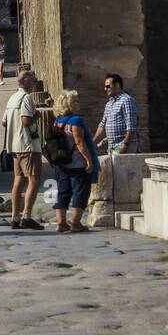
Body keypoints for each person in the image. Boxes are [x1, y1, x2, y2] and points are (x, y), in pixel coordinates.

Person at [52, 90, 99, 233]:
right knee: (80, 191)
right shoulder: (76, 121)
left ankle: (61, 223)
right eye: (76, 101)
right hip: (77, 163)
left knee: (63, 192)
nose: (78, 103)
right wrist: (89, 160)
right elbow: (79, 142)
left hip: (62, 162)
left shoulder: (58, 121)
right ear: (70, 104)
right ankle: (76, 223)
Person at [2, 69, 44, 230]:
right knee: (34, 179)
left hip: (14, 145)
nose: (35, 83)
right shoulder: (26, 98)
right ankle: (26, 216)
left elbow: (4, 122)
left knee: (18, 180)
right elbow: (26, 120)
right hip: (27, 145)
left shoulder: (12, 97)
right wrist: (37, 115)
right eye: (33, 80)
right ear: (26, 82)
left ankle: (14, 217)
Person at [93, 74, 138, 155]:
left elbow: (131, 126)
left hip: (124, 147)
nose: (105, 89)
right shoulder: (109, 104)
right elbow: (102, 125)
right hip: (113, 148)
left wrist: (125, 145)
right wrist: (93, 142)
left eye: (108, 86)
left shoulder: (126, 100)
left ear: (117, 85)